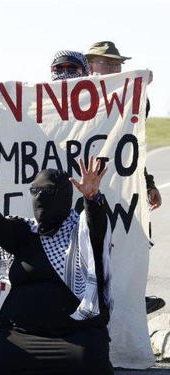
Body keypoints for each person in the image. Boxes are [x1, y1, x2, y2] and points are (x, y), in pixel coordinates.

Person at [0, 159, 117, 375]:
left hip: (74, 336)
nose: (40, 198)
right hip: (23, 335)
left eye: (48, 193)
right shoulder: (25, 231)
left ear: (64, 197)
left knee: (91, 366)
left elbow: (97, 227)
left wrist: (92, 199)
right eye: (35, 192)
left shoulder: (81, 233)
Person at [84, 40, 163, 314]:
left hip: (122, 184)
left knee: (134, 237)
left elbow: (132, 145)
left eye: (117, 64)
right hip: (86, 186)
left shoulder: (128, 96)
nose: (114, 68)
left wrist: (149, 183)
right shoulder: (73, 96)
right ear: (91, 65)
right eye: (107, 63)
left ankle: (131, 296)